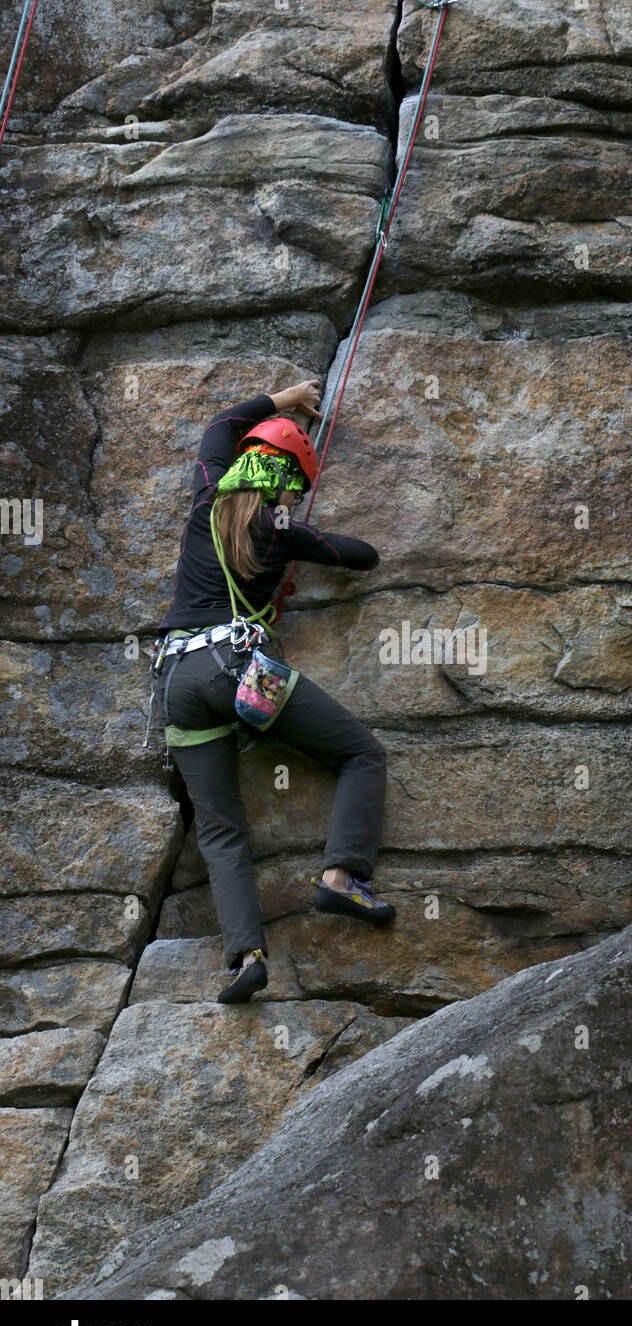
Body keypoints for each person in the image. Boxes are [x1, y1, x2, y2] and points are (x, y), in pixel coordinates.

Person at [153, 380, 395, 1004]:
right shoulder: (279, 529)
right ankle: (342, 876)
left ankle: (246, 958)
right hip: (238, 671)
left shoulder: (206, 495)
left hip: (177, 680)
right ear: (287, 482)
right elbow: (361, 556)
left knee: (220, 827)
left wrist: (285, 400)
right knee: (360, 753)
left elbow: (223, 421)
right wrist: (296, 536)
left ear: (238, 464)